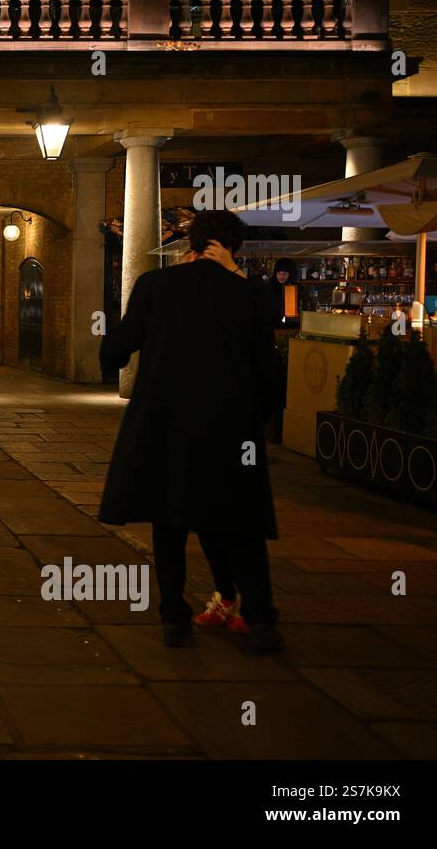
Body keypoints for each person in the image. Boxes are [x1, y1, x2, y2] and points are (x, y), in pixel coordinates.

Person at [99, 209, 285, 653]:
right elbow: (269, 374)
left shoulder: (155, 286)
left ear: (190, 244)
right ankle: (260, 622)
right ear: (232, 249)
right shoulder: (250, 296)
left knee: (170, 522)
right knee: (242, 523)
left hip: (165, 423)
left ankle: (174, 620)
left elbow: (117, 349)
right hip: (230, 428)